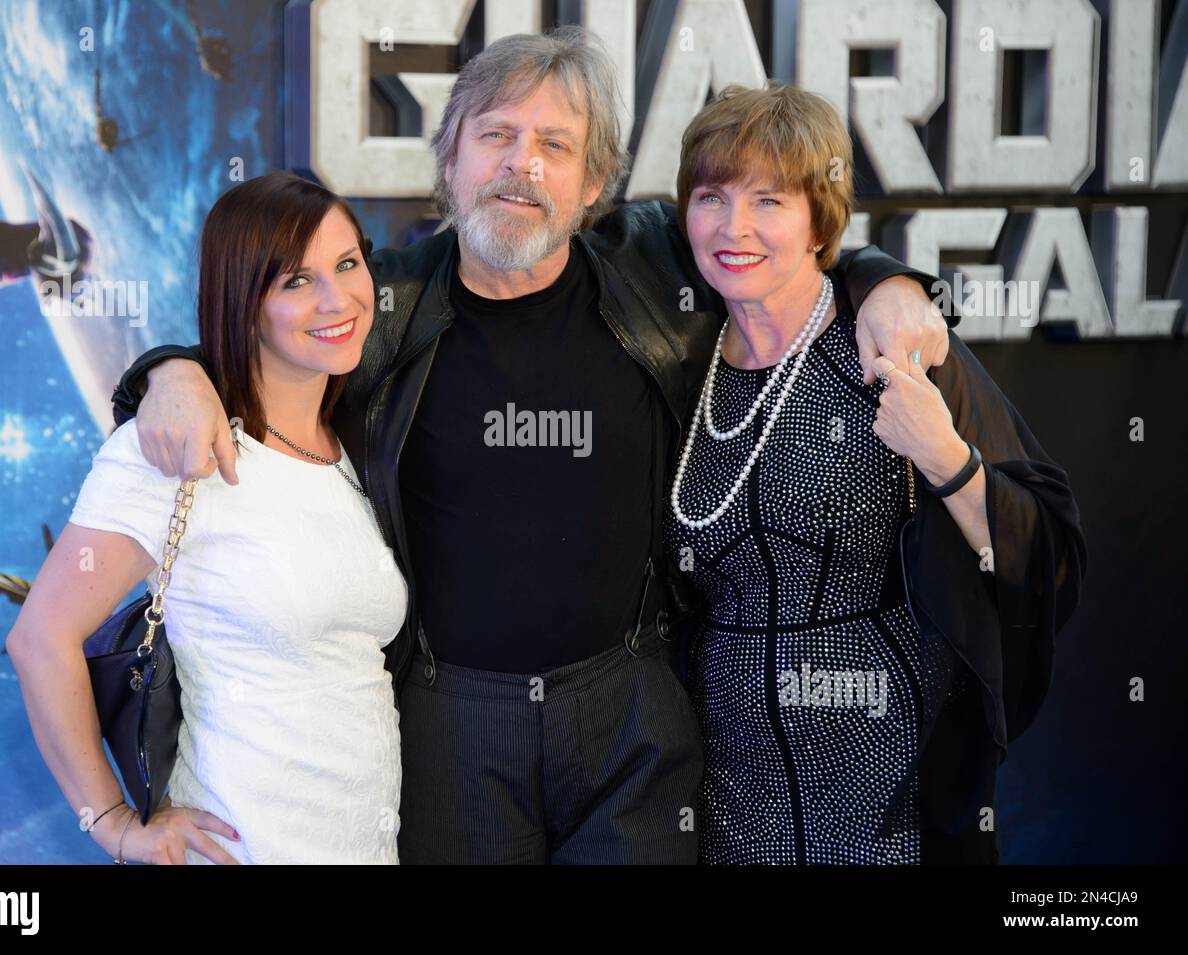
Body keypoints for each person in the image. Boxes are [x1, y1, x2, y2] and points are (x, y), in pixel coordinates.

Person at [110, 28, 951, 864]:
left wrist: (886, 279)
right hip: (450, 722)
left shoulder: (656, 266)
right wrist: (168, 372)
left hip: (633, 713)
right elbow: (255, 341)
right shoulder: (381, 307)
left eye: (556, 144)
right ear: (450, 161)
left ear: (594, 185)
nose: (524, 164)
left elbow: (783, 244)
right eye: (497, 135)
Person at [667, 83, 1086, 864]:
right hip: (725, 793)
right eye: (711, 198)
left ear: (820, 218)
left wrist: (945, 457)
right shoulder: (683, 362)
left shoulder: (891, 346)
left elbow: (1049, 550)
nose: (735, 227)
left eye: (770, 200)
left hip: (889, 785)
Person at [6, 172, 407, 864]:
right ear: (242, 301)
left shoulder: (356, 449)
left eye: (347, 264)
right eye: (295, 281)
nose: (338, 297)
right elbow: (41, 639)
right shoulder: (170, 447)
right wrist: (114, 825)